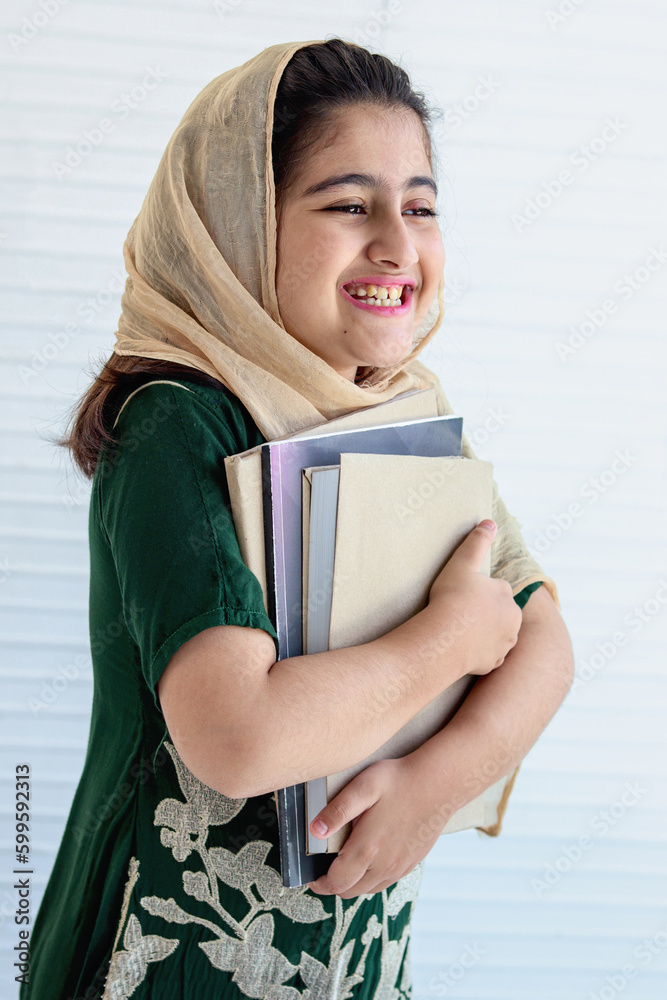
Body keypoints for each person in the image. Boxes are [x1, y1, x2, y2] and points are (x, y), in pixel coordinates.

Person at [25, 38, 574, 1000]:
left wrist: (432, 783)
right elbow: (239, 739)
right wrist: (448, 640)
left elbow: (543, 642)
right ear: (236, 226)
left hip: (347, 951)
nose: (397, 244)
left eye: (420, 205)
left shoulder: (401, 410)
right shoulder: (181, 424)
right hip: (167, 953)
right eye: (348, 204)